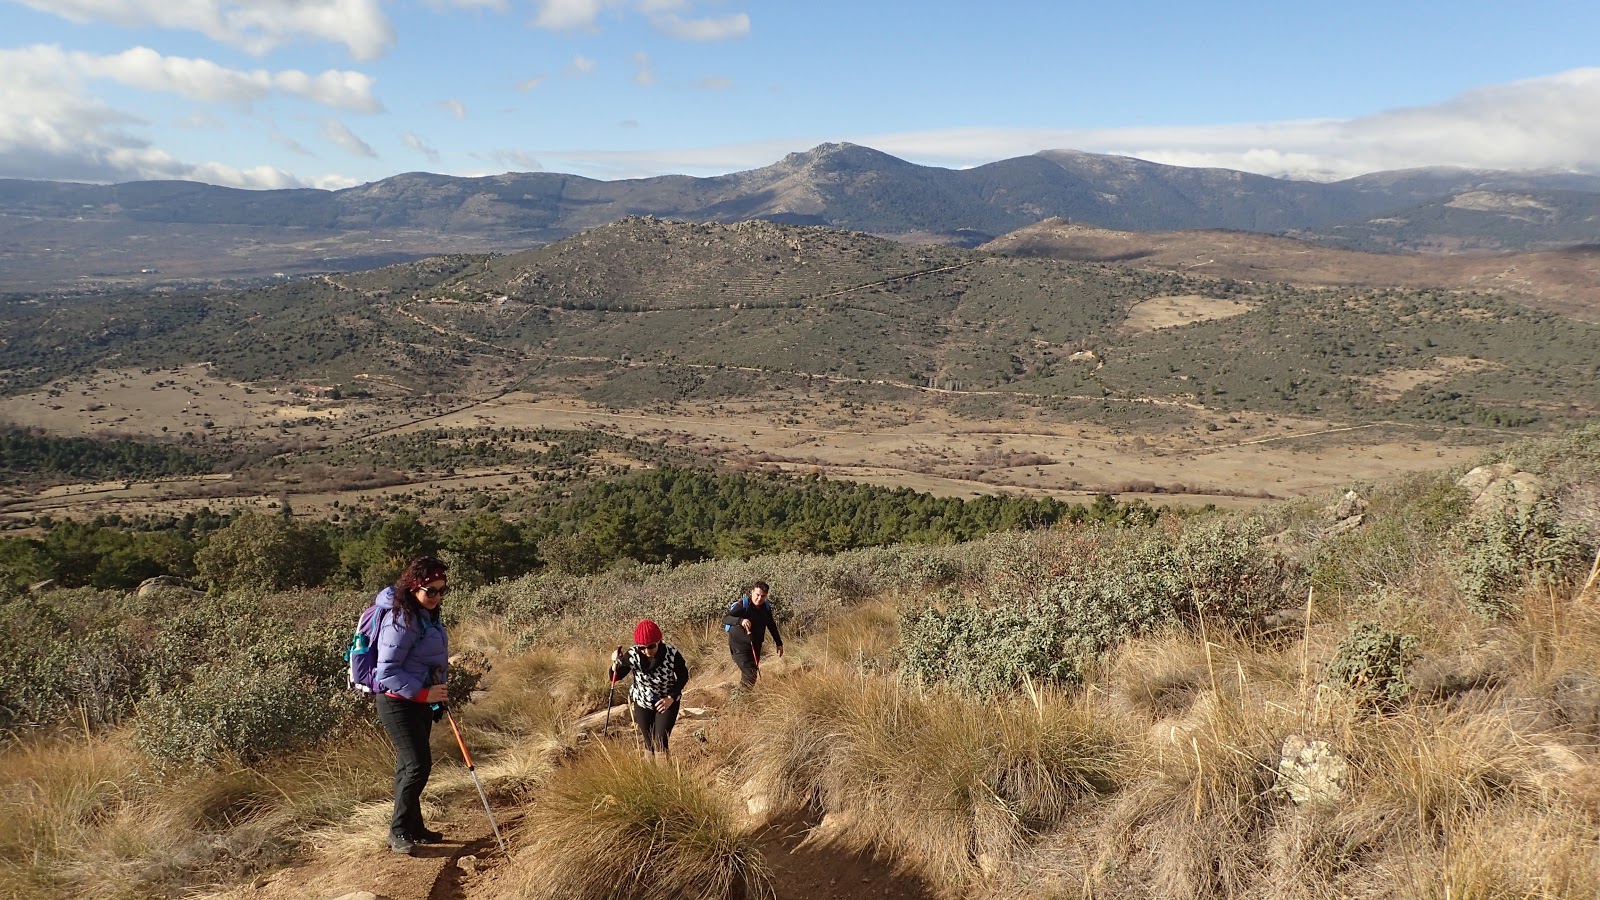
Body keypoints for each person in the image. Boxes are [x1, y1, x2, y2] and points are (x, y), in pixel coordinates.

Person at [373, 556, 451, 855]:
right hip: (397, 703)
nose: (437, 596)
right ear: (414, 587)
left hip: (419, 700)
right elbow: (386, 672)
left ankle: (415, 828)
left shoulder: (426, 615)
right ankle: (398, 831)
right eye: (431, 590)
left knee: (407, 766)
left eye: (442, 590)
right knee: (418, 765)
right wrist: (423, 694)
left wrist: (433, 694)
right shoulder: (401, 620)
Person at [610, 619, 689, 763]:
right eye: (642, 647)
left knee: (660, 742)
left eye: (651, 646)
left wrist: (671, 697)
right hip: (642, 701)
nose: (647, 651)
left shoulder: (671, 653)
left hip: (666, 701)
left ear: (659, 641)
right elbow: (615, 677)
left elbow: (683, 676)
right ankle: (650, 773)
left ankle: (665, 773)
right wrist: (615, 663)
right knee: (649, 742)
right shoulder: (632, 654)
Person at [724, 580, 782, 688]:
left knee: (752, 674)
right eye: (757, 595)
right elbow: (726, 618)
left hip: (755, 645)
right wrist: (741, 621)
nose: (759, 598)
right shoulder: (743, 604)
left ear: (766, 596)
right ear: (752, 592)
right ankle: (740, 696)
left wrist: (779, 643)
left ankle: (740, 694)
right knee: (750, 674)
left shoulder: (766, 607)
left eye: (763, 596)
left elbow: (771, 625)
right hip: (738, 646)